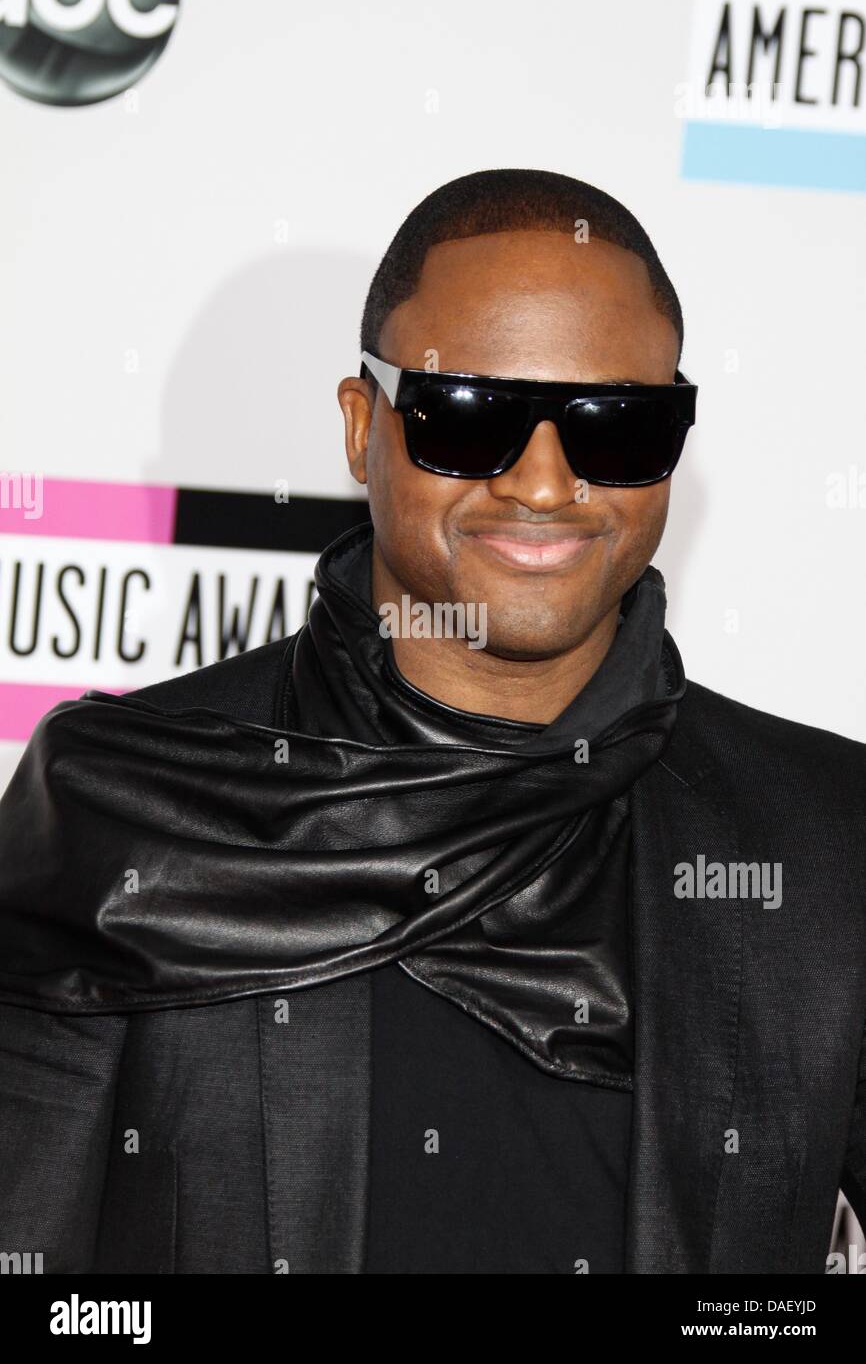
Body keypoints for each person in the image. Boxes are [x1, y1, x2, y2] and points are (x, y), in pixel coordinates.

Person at [0, 168, 864, 1275]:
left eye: (617, 426)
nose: (545, 484)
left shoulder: (822, 841)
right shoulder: (125, 806)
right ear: (362, 428)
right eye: (470, 417)